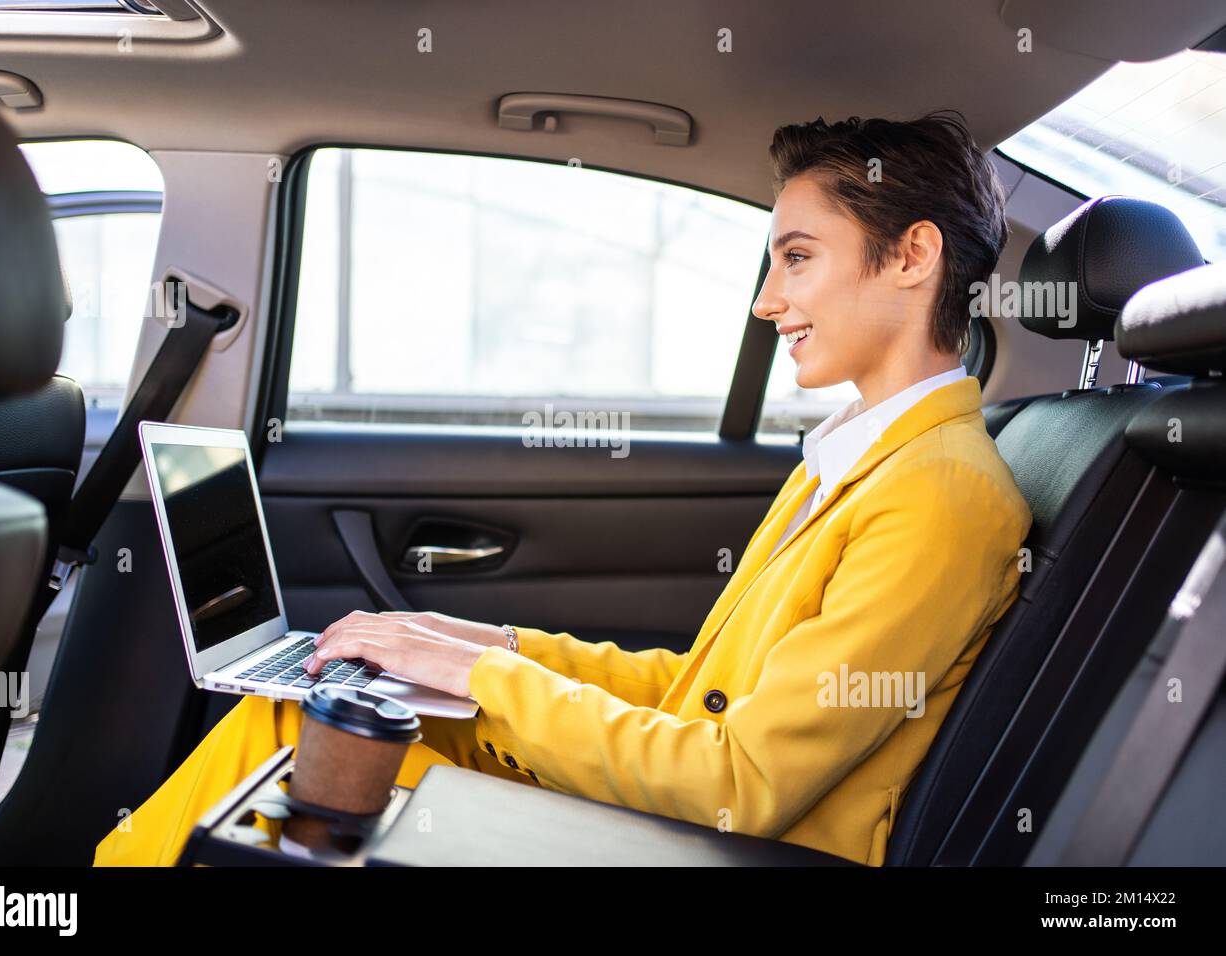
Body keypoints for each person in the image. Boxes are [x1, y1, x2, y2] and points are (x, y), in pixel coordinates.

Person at [95, 111, 1031, 867]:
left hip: (725, 844)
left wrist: (482, 678)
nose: (765, 301)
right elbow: (700, 694)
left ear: (913, 256)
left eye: (796, 257)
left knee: (300, 743)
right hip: (688, 821)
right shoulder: (859, 461)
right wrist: (475, 643)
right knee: (310, 715)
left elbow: (740, 780)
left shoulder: (939, 495)